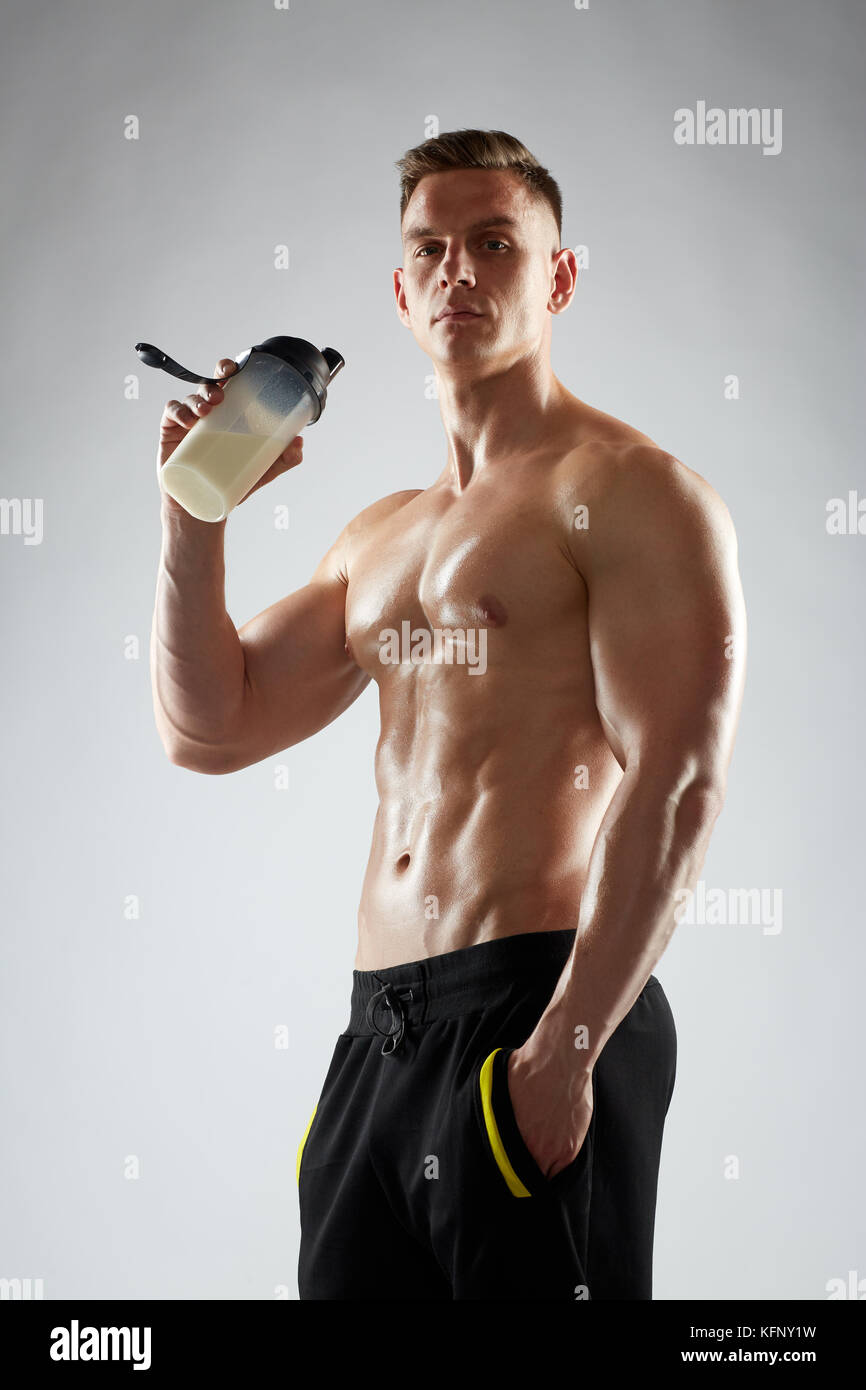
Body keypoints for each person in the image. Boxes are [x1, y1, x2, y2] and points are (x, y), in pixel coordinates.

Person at [150, 128, 746, 1300]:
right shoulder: (381, 537)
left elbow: (678, 780)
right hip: (377, 1041)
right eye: (429, 250)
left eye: (492, 244)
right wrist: (194, 517)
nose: (457, 273)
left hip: (538, 1008)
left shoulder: (627, 492)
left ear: (558, 277)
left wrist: (567, 1048)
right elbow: (208, 727)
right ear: (399, 289)